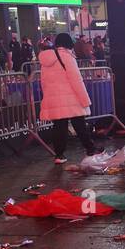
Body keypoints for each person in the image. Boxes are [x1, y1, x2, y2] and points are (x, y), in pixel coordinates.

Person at [37, 33, 98, 165]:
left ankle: (59, 155)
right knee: (79, 124)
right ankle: (90, 148)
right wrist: (85, 100)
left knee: (59, 126)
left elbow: (44, 82)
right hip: (70, 98)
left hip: (54, 98)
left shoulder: (45, 61)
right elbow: (76, 80)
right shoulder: (67, 58)